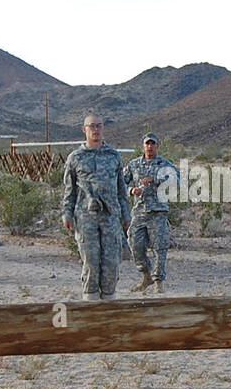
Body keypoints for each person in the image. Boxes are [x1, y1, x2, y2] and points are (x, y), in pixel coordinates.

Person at [62, 116, 130, 300]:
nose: (96, 130)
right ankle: (90, 303)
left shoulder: (113, 155)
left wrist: (126, 214)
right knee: (90, 261)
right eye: (92, 126)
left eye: (99, 126)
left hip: (110, 216)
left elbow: (121, 188)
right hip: (86, 217)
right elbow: (69, 189)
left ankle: (109, 303)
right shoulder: (75, 157)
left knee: (111, 262)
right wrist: (67, 213)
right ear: (84, 129)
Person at [123, 132, 179, 293]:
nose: (150, 146)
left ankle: (158, 282)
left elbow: (176, 180)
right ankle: (146, 275)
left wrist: (155, 180)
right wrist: (131, 190)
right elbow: (120, 183)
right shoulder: (134, 165)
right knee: (135, 244)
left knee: (160, 247)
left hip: (158, 211)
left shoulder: (164, 165)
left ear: (157, 146)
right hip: (139, 212)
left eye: (153, 144)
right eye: (147, 143)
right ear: (143, 146)